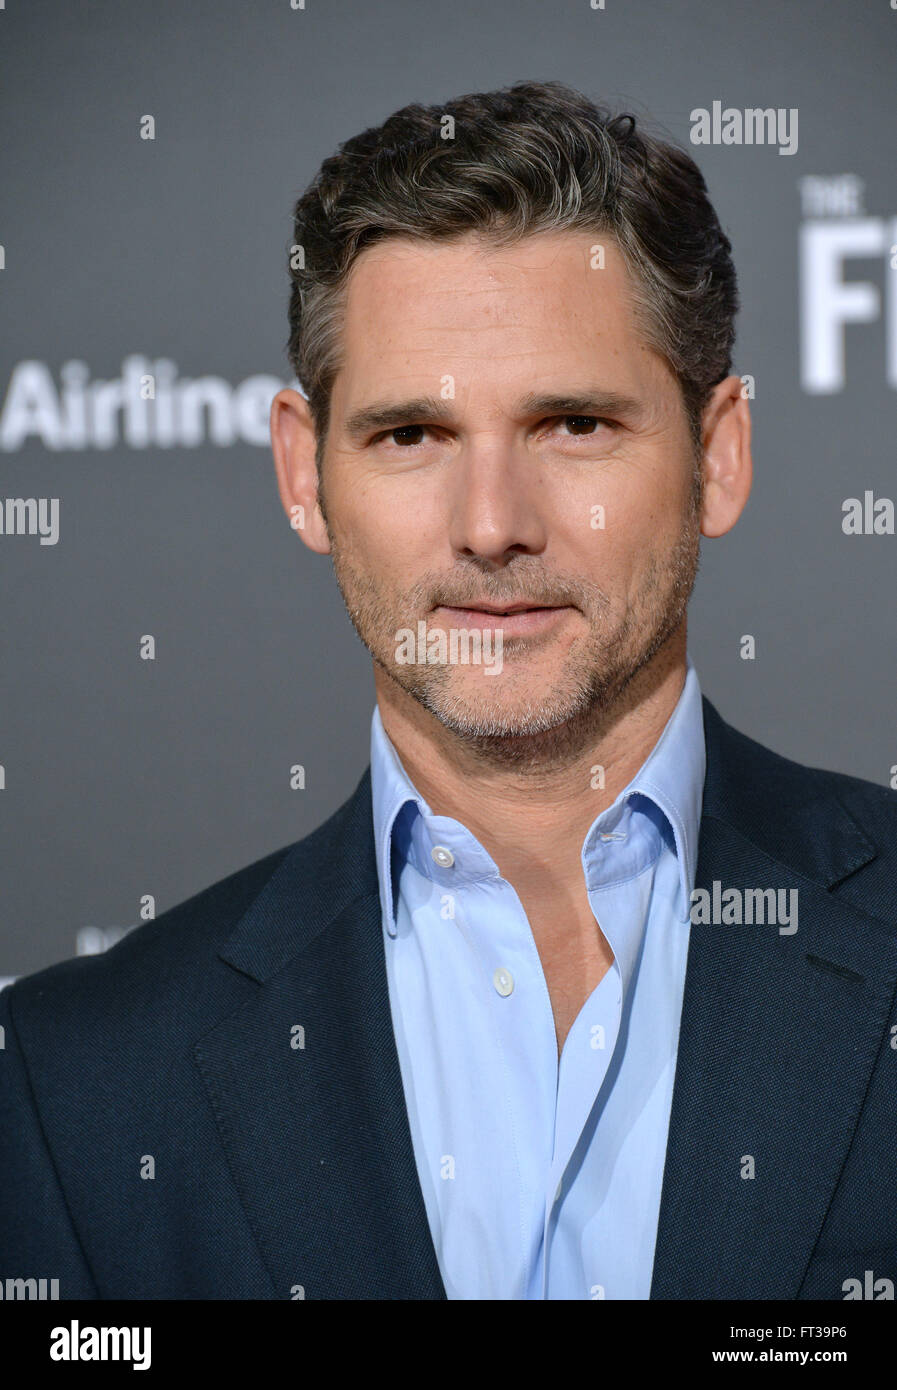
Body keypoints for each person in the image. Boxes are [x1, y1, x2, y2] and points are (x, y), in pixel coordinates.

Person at [3, 81, 896, 1302]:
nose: (491, 524)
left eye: (572, 423)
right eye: (411, 436)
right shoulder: (79, 1081)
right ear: (304, 475)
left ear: (719, 454)